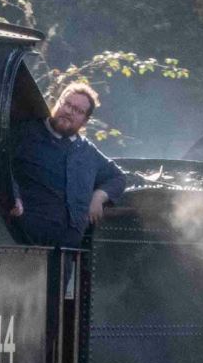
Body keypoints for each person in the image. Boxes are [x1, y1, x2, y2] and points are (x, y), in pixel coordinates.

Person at [7, 80, 126, 248]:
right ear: (58, 102)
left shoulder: (87, 151)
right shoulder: (26, 134)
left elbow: (118, 177)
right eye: (67, 104)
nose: (70, 112)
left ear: (85, 120)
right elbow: (0, 163)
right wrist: (14, 196)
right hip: (24, 243)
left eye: (78, 111)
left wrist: (99, 197)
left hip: (67, 250)